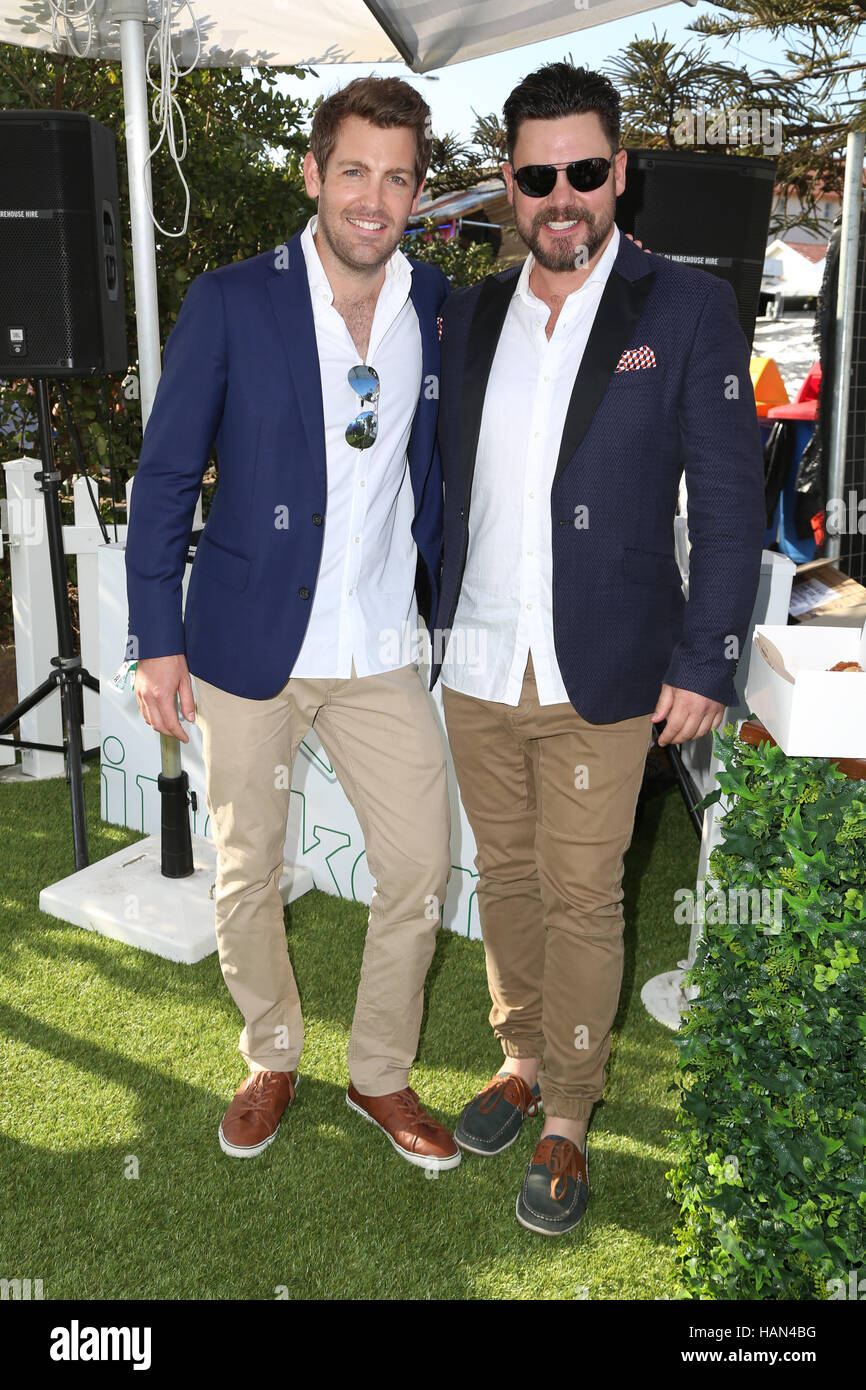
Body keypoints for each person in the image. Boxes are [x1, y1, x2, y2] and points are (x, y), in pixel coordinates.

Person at [432, 62, 766, 1233]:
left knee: (582, 895)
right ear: (510, 185)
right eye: (536, 174)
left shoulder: (681, 308)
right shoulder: (467, 313)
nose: (559, 193)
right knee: (506, 880)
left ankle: (567, 1111)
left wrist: (705, 658)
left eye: (582, 169)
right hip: (474, 657)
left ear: (617, 173)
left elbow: (729, 502)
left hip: (610, 666)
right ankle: (517, 1060)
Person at [125, 76, 460, 1172]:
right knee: (245, 868)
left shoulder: (439, 305)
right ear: (313, 174)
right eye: (353, 170)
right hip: (244, 644)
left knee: (418, 864)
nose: (374, 196)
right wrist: (155, 637)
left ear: (417, 191)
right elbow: (166, 473)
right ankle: (270, 1050)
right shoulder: (232, 298)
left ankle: (377, 1073)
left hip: (377, 649)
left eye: (397, 176)